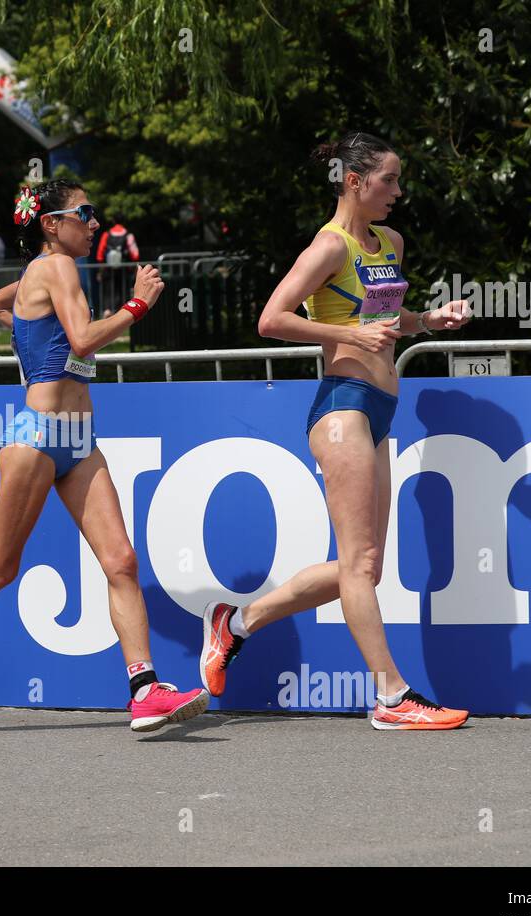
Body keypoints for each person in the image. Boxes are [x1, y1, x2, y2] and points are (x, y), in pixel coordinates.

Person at [0, 179, 210, 736]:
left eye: (94, 213)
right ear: (51, 224)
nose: (94, 222)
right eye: (84, 213)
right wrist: (139, 304)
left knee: (122, 562)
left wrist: (32, 338)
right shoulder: (56, 267)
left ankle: (144, 689)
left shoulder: (46, 272)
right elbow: (83, 341)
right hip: (37, 434)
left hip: (78, 437)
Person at [200, 132, 473, 730]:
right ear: (356, 182)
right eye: (389, 181)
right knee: (360, 562)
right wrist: (347, 337)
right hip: (342, 407)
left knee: (364, 566)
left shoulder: (390, 242)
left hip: (380, 409)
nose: (398, 192)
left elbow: (383, 317)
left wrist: (427, 319)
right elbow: (271, 319)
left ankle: (235, 624)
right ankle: (392, 696)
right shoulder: (329, 245)